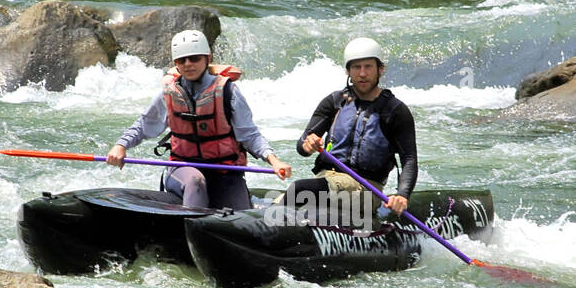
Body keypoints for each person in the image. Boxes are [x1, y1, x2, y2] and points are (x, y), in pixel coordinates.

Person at [106, 29, 290, 210]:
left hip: (225, 171)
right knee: (195, 181)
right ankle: (188, 232)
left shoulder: (228, 92)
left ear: (207, 58)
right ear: (176, 63)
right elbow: (144, 125)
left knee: (240, 213)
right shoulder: (169, 93)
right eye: (181, 60)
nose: (188, 64)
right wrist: (120, 146)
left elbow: (250, 135)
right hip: (182, 169)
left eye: (194, 58)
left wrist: (274, 160)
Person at [291, 36, 417, 216]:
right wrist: (307, 144)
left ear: (380, 69)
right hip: (325, 180)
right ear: (348, 71)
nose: (363, 74)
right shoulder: (334, 102)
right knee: (287, 200)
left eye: (368, 67)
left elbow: (409, 159)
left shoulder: (395, 111)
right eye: (356, 67)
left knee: (299, 189)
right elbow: (302, 147)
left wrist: (402, 195)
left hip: (365, 189)